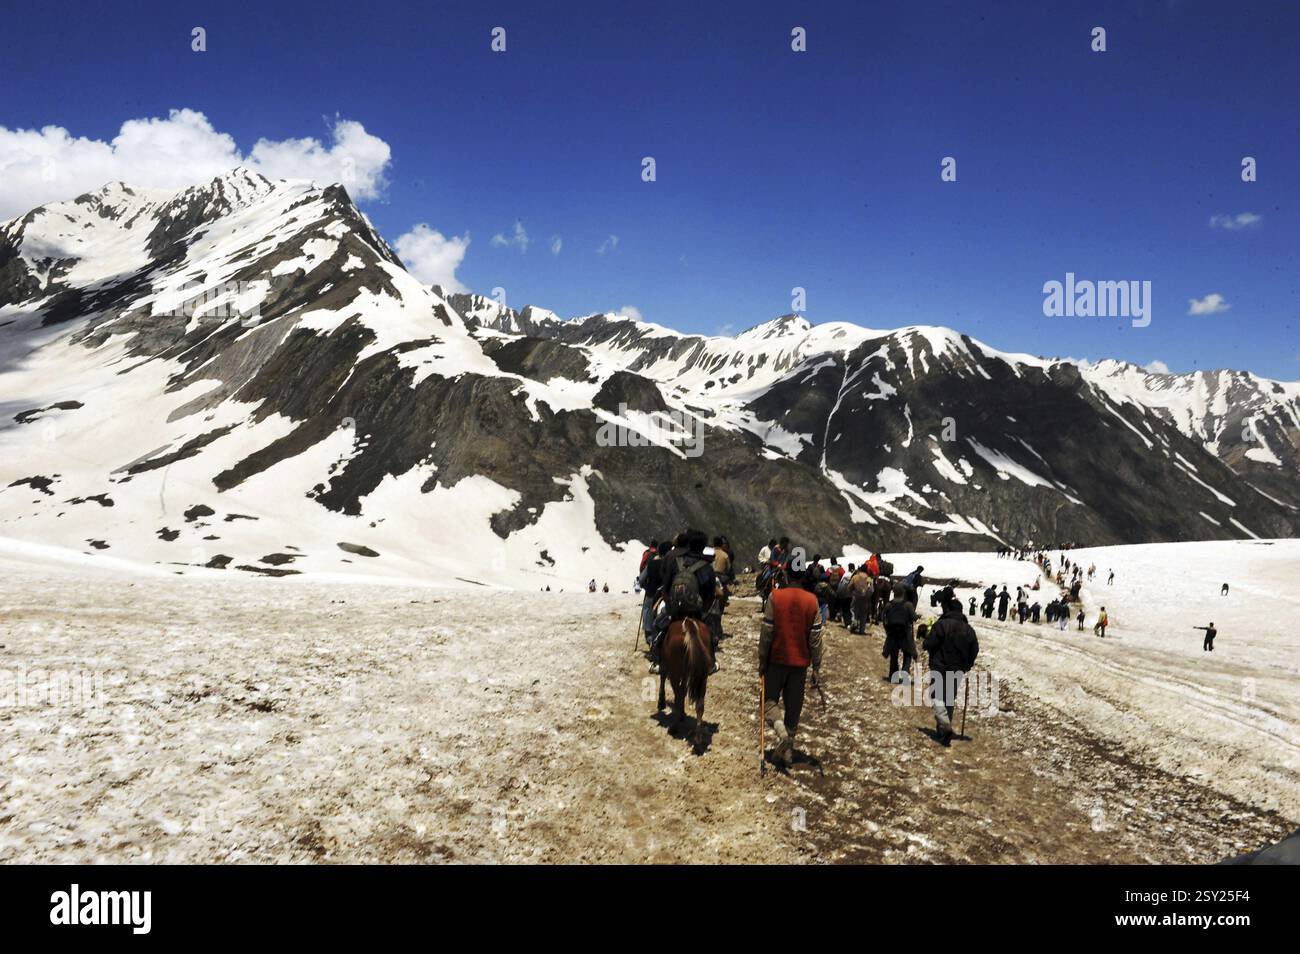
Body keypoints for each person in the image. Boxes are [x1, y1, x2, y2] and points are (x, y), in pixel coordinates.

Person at [758, 564, 824, 768]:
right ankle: (787, 752)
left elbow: (767, 631)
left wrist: (762, 660)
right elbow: (815, 638)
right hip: (800, 663)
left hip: (776, 659)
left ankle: (781, 733)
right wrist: (816, 666)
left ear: (786, 574)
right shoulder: (812, 600)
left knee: (769, 702)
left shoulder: (775, 596)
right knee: (794, 707)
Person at [653, 530, 717, 673]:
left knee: (658, 626)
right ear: (703, 546)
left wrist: (670, 606)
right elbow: (710, 595)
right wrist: (703, 611)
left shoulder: (676, 561)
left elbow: (666, 587)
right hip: (697, 612)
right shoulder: (707, 566)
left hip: (675, 610)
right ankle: (712, 661)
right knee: (712, 633)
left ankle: (657, 661)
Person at [922, 597, 979, 746]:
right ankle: (943, 731)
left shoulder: (941, 625)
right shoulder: (969, 630)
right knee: (949, 698)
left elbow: (929, 643)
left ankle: (944, 725)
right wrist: (968, 664)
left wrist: (926, 643)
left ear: (947, 609)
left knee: (936, 696)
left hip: (940, 666)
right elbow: (974, 649)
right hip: (958, 669)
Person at [882, 584, 919, 683]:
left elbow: (883, 617)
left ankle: (893, 676)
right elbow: (914, 618)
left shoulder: (889, 605)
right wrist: (916, 616)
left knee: (894, 655)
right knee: (907, 654)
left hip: (892, 634)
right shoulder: (908, 605)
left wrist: (888, 630)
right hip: (905, 633)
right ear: (903, 593)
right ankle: (905, 675)